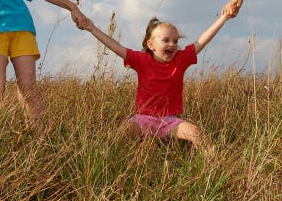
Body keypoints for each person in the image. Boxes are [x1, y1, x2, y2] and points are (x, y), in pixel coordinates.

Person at [81, 13, 229, 151]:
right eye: (166, 40)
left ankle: (212, 159)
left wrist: (223, 18)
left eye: (175, 41)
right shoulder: (142, 60)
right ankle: (108, 157)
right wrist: (92, 28)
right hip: (143, 120)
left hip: (170, 122)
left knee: (195, 132)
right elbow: (116, 47)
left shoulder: (180, 60)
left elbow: (202, 41)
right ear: (151, 45)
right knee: (121, 133)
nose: (172, 44)